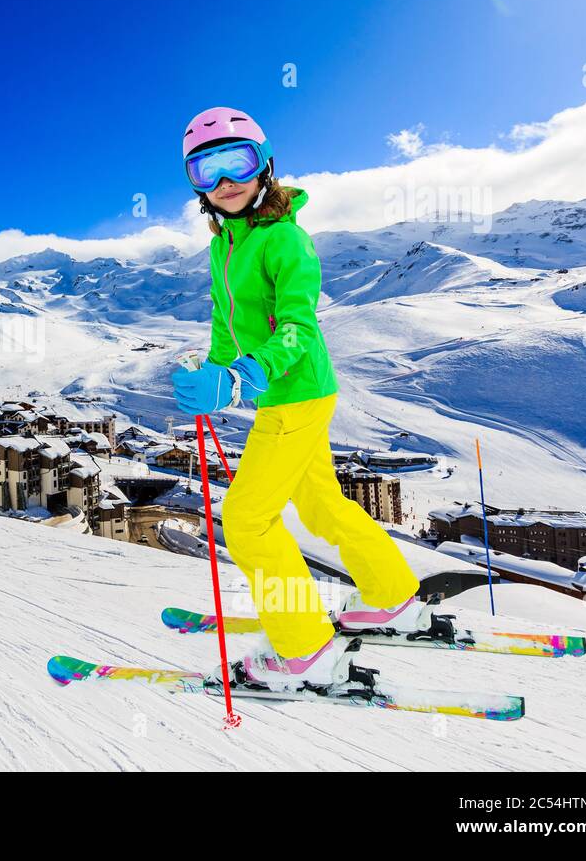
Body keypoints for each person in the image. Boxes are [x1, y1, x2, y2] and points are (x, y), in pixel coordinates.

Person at [171, 106, 425, 691]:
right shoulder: (225, 246)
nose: (225, 182)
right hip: (289, 396)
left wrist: (247, 375)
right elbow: (224, 318)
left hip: (293, 394)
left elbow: (297, 327)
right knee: (319, 506)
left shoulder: (286, 241)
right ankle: (392, 598)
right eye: (206, 170)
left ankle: (304, 651)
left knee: (246, 519)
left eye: (237, 162)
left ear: (265, 167)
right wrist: (213, 373)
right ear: (195, 184)